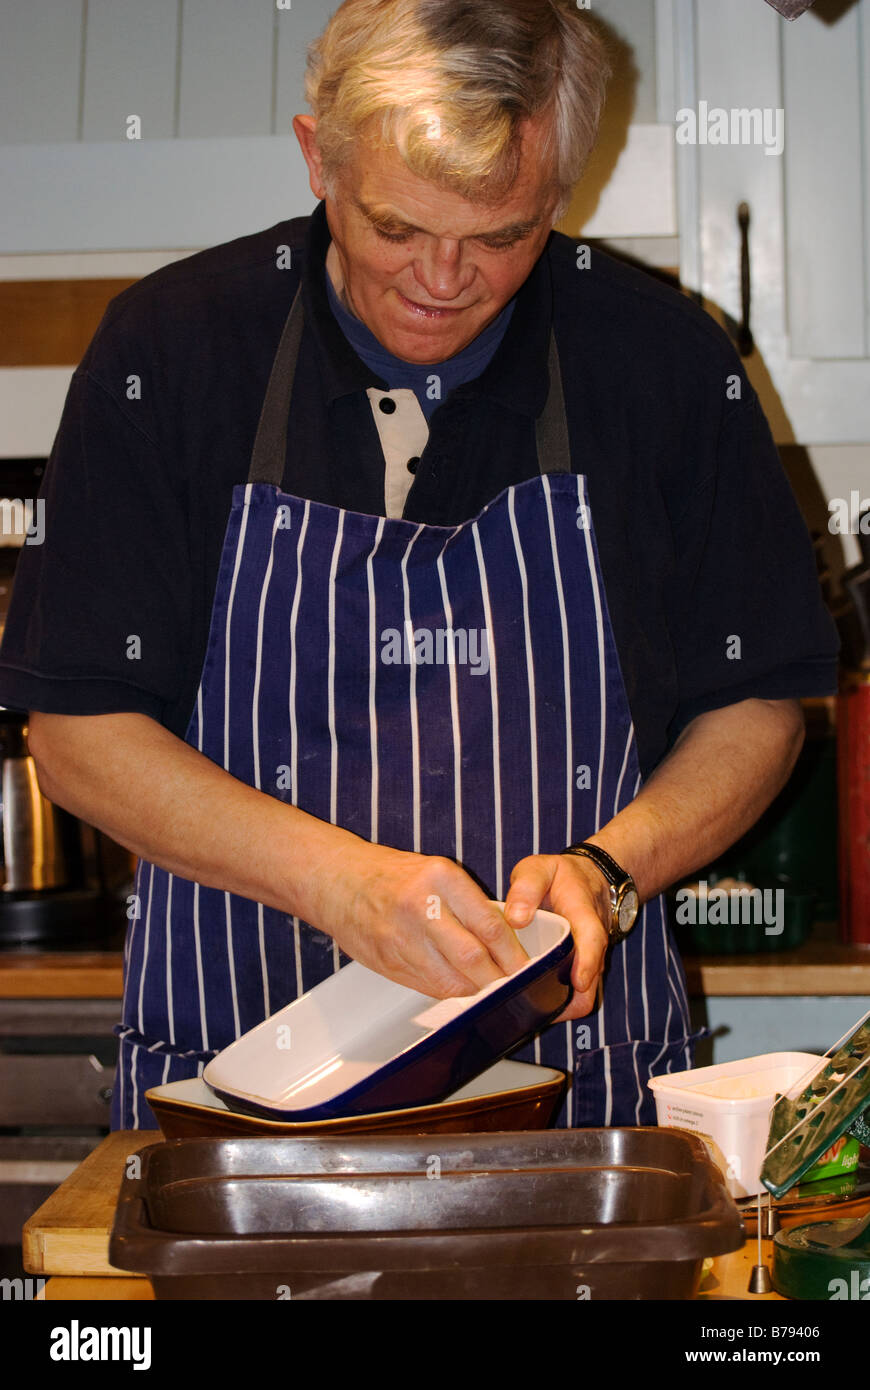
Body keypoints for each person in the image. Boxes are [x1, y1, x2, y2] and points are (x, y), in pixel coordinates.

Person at [0, 0, 837, 1130]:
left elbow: (758, 706)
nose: (443, 279)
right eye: (397, 227)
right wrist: (339, 883)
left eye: (502, 236)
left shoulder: (664, 365)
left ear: (559, 193)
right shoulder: (171, 354)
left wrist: (612, 866)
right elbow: (77, 735)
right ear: (317, 157)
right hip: (244, 1101)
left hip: (580, 1106)